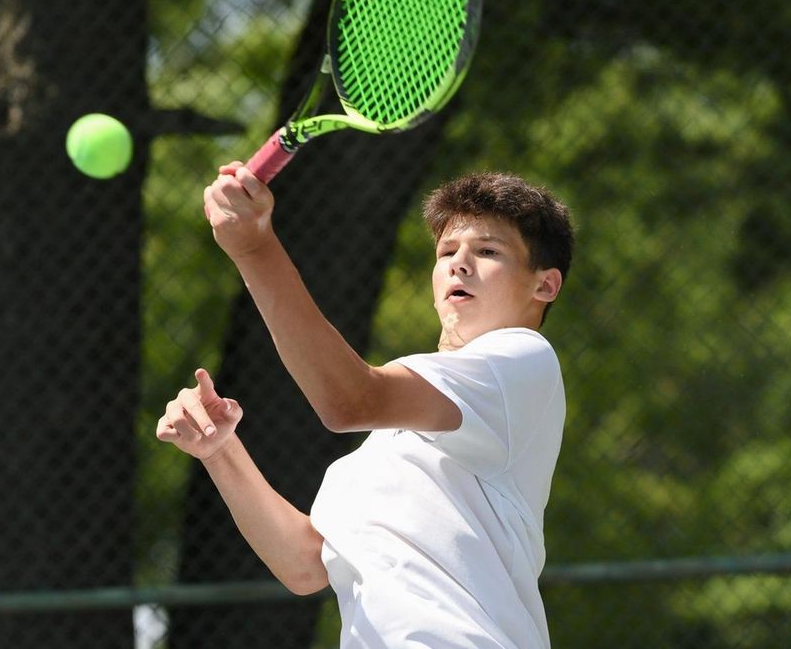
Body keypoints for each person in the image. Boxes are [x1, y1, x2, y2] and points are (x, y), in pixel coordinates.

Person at [156, 163, 575, 648]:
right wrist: (219, 451)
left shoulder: (521, 359)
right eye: (446, 252)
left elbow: (349, 400)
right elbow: (304, 565)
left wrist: (253, 246)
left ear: (544, 285)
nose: (459, 263)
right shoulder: (378, 458)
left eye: (487, 251)